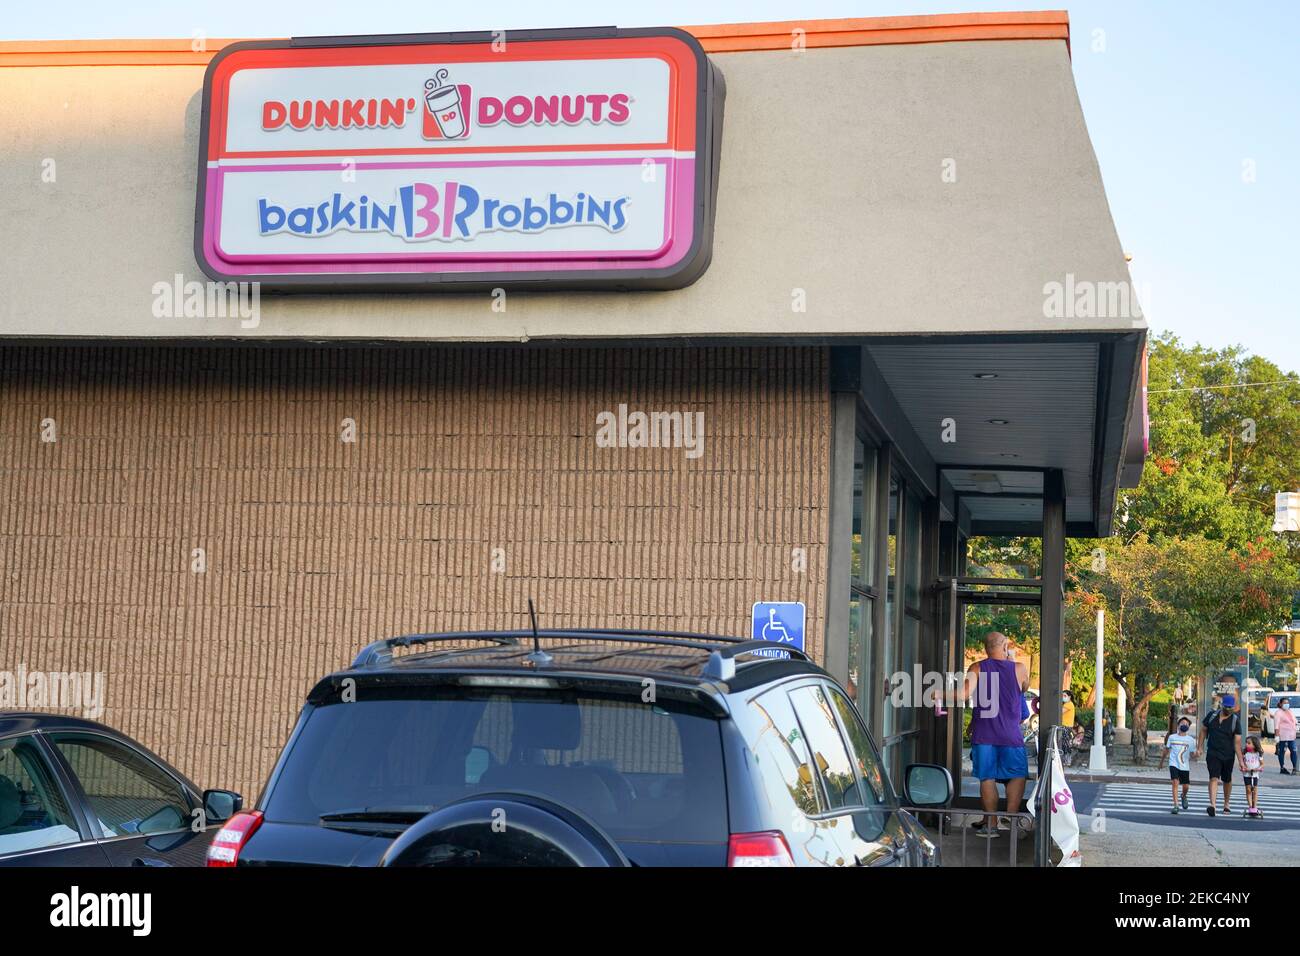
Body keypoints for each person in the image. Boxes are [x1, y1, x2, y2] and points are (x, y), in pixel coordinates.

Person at [959, 631, 1030, 837]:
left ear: (985, 648)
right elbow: (1023, 688)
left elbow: (967, 695)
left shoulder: (977, 668)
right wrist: (1012, 660)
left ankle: (991, 825)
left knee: (987, 778)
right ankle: (1011, 817)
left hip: (984, 735)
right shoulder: (1019, 668)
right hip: (1010, 735)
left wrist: (936, 694)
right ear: (1005, 645)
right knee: (1017, 774)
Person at [1199, 694, 1245, 817]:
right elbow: (1203, 730)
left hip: (1228, 755)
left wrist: (1241, 761)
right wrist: (1199, 747)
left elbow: (1237, 743)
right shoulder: (1212, 716)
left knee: (1227, 779)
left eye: (1231, 707)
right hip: (1213, 752)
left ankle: (1226, 803)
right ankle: (1212, 805)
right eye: (1227, 707)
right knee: (1213, 777)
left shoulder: (1235, 720)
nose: (1228, 709)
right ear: (1222, 705)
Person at [1164, 717, 1195, 814]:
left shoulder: (1190, 740)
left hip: (1184, 766)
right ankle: (1176, 805)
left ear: (1188, 727)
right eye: (1182, 723)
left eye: (1186, 724)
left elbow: (1192, 755)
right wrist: (1161, 762)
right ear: (1178, 725)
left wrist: (1197, 754)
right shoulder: (1172, 737)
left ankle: (1184, 796)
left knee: (1186, 786)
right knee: (1175, 782)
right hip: (1173, 763)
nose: (1184, 725)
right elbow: (1166, 750)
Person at [1272, 697, 1297, 774]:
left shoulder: (1290, 711)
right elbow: (1276, 725)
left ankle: (1294, 768)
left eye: (1287, 703)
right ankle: (1282, 767)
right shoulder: (1278, 713)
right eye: (1284, 703)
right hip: (1283, 736)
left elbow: (1294, 721)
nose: (1287, 704)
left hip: (1291, 736)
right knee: (1282, 752)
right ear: (1280, 704)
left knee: (1294, 751)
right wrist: (1276, 736)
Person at [1242, 736, 1264, 817]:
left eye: (1249, 743)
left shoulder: (1258, 754)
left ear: (1254, 745)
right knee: (1248, 790)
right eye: (1246, 743)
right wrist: (1243, 768)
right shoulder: (1245, 754)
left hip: (1255, 774)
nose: (1247, 745)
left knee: (1254, 790)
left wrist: (1259, 768)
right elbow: (1243, 764)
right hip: (1247, 774)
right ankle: (1250, 806)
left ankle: (1255, 806)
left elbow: (1262, 764)